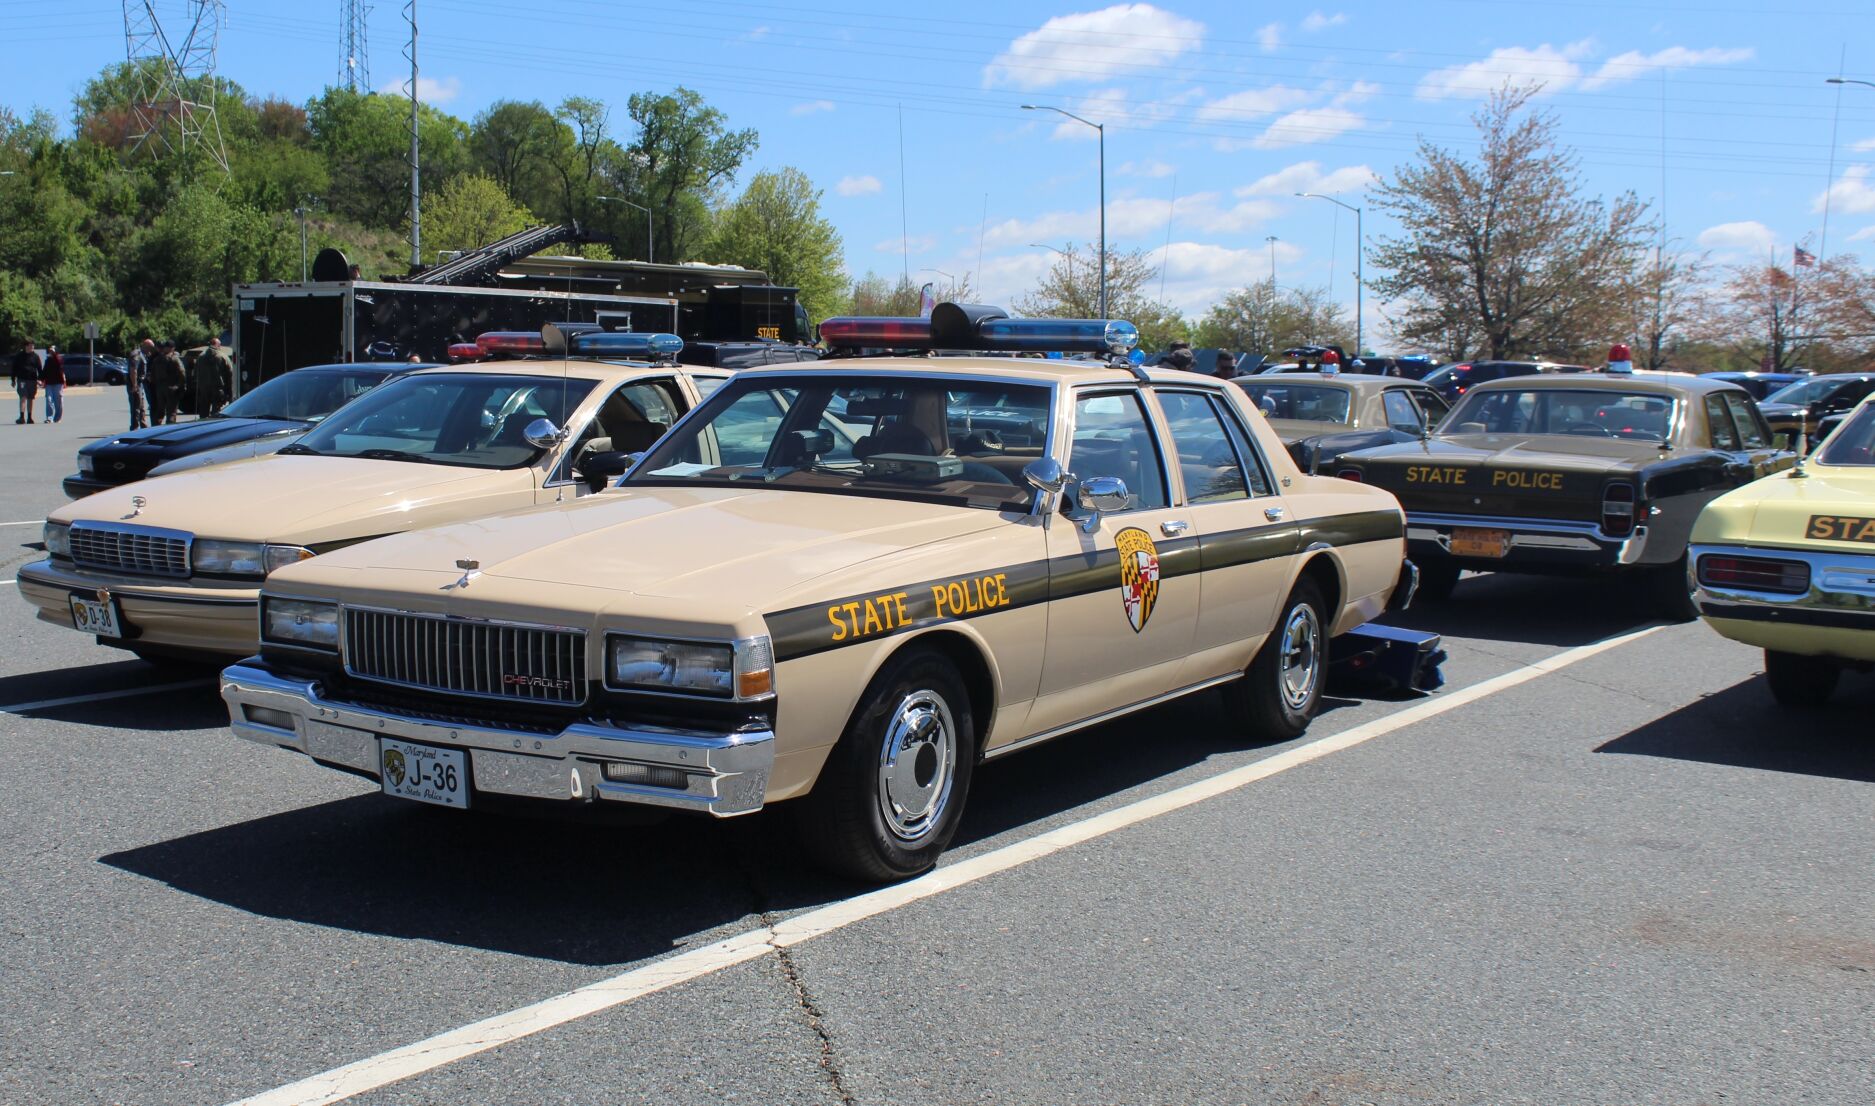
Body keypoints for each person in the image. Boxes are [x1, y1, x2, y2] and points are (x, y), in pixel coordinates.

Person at [195, 336, 234, 416]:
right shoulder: (223, 356)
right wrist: (230, 393)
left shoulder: (200, 357)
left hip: (204, 389)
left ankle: (202, 426)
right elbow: (230, 374)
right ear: (218, 345)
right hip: (218, 389)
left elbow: (196, 373)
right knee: (216, 412)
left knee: (203, 411)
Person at [151, 340, 184, 425]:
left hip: (159, 388)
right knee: (172, 412)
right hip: (171, 388)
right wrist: (181, 385)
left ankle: (156, 429)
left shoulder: (157, 359)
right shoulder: (174, 359)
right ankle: (169, 429)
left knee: (160, 411)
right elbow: (182, 372)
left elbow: (152, 375)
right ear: (172, 348)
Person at [12, 339, 42, 423]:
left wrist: (40, 379)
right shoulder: (19, 356)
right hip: (22, 379)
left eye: (33, 345)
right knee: (23, 397)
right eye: (30, 345)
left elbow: (39, 369)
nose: (32, 347)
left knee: (31, 398)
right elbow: (14, 368)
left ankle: (30, 417)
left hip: (32, 380)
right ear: (26, 346)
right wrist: (13, 379)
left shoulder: (35, 356)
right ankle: (21, 417)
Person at [127, 339, 152, 429]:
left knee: (141, 407)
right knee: (136, 407)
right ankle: (134, 428)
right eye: (150, 348)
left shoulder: (143, 354)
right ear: (145, 346)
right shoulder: (136, 355)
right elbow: (133, 370)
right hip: (136, 384)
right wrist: (134, 385)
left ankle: (143, 426)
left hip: (139, 384)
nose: (150, 350)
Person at [39, 344, 65, 424]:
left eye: (53, 351)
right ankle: (49, 418)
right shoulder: (48, 361)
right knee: (49, 400)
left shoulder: (59, 360)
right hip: (49, 383)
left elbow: (62, 369)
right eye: (50, 351)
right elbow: (44, 371)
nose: (51, 352)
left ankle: (57, 418)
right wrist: (41, 379)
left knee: (58, 401)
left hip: (58, 383)